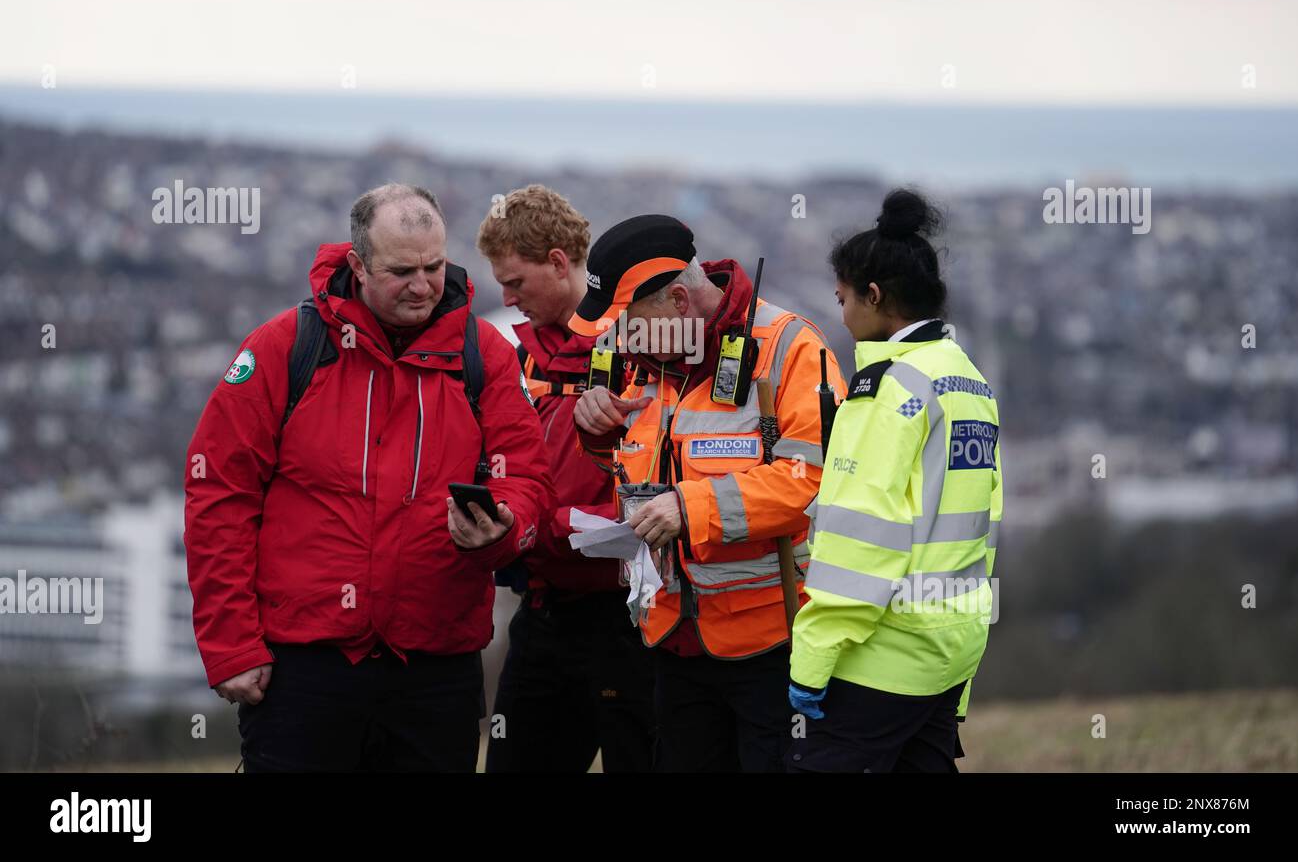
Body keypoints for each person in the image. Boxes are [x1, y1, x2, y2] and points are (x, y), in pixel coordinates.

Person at [183, 183, 552, 772]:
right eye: (402, 270)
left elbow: (528, 477)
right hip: (305, 668)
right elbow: (220, 497)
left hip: (436, 667)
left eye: (434, 266)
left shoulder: (485, 356)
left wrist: (502, 527)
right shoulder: (284, 349)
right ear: (357, 264)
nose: (424, 285)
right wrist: (230, 645)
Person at [571, 215, 846, 772]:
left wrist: (689, 508)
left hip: (774, 646)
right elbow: (640, 467)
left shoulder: (789, 348)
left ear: (677, 299)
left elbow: (815, 483)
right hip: (673, 642)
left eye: (626, 322)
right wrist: (601, 434)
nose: (616, 338)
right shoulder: (651, 363)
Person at [786, 188, 1002, 773]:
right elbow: (982, 525)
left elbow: (861, 540)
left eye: (844, 299)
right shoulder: (969, 379)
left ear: (874, 296)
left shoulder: (889, 386)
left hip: (880, 658)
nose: (842, 314)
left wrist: (811, 659)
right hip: (948, 648)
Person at [475, 184, 655, 773]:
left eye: (516, 282)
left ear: (558, 261)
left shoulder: (645, 346)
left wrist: (543, 530)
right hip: (545, 611)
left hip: (632, 620)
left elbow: (671, 481)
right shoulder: (514, 354)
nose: (505, 297)